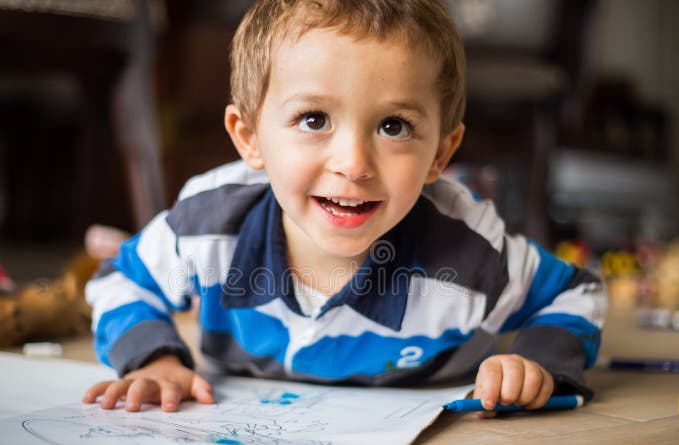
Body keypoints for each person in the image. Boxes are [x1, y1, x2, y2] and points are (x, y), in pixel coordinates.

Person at [83, 0, 607, 415]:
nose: (354, 164)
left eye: (393, 126)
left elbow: (576, 292)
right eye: (314, 120)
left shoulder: (469, 255)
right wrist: (155, 359)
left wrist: (537, 360)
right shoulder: (206, 229)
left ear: (441, 153)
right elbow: (121, 281)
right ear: (250, 138)